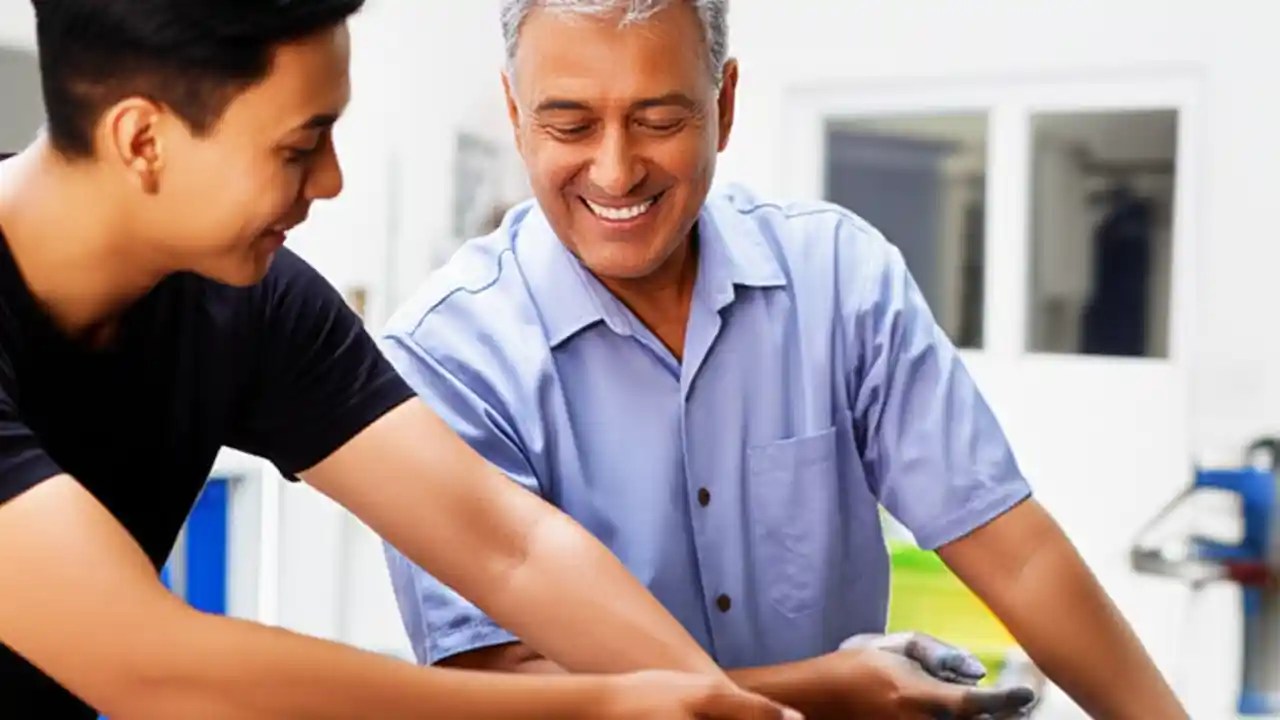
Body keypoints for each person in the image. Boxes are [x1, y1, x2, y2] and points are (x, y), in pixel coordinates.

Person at [380, 1, 1190, 719]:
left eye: (660, 120)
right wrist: (823, 688)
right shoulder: (449, 358)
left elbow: (1015, 550)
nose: (616, 169)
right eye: (570, 125)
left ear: (724, 105)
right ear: (516, 112)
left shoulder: (836, 277)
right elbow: (501, 690)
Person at [0, 1, 808, 718]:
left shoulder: (251, 302)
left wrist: (723, 707)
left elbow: (507, 545)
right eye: (299, 146)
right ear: (143, 140)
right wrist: (598, 707)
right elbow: (154, 671)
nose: (332, 179)